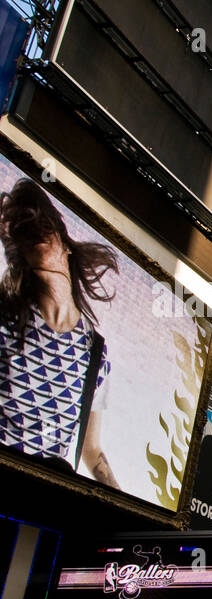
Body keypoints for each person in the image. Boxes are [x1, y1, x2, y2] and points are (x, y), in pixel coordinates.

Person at [0, 177, 120, 485]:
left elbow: (91, 450)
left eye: (41, 221)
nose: (34, 230)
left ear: (64, 241)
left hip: (38, 505)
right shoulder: (5, 321)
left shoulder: (96, 352)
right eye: (23, 228)